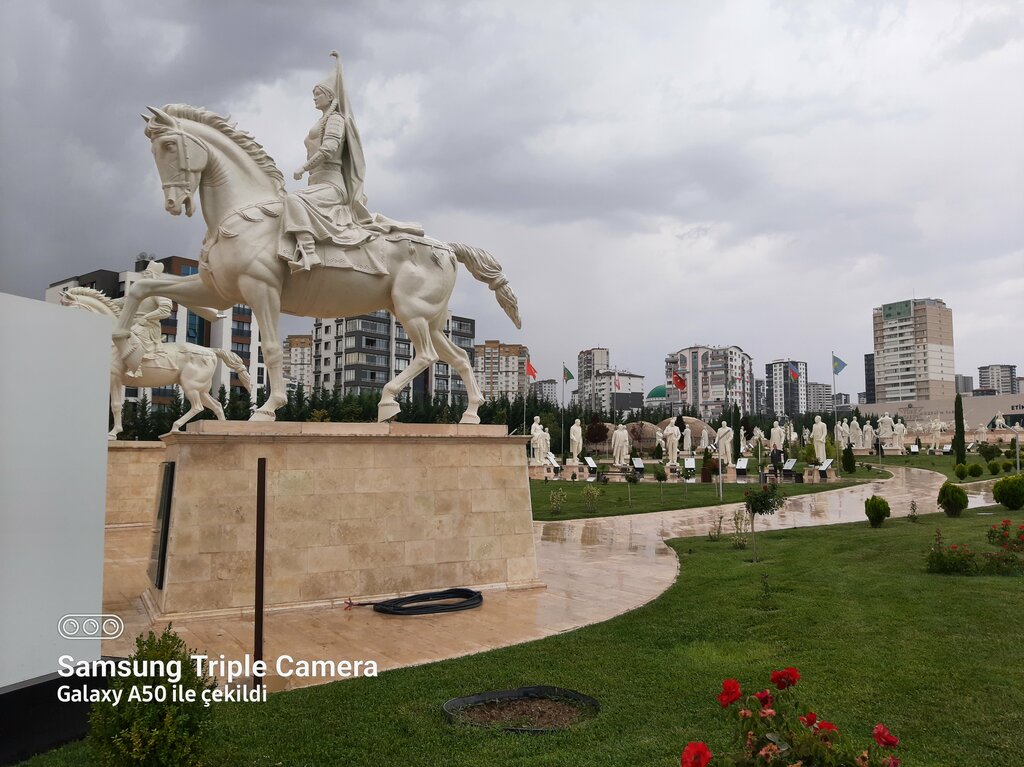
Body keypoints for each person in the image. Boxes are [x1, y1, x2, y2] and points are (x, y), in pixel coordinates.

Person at [279, 52, 421, 272]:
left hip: (332, 186)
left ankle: (308, 252)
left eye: (318, 94)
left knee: (294, 200)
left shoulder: (336, 119)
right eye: (313, 94)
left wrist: (303, 167)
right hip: (317, 183)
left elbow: (329, 149)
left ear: (329, 96)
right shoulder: (322, 120)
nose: (314, 98)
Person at [126, 261, 173, 377]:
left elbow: (165, 310)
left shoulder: (158, 291)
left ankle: (137, 367)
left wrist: (147, 317)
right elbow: (125, 302)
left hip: (148, 325)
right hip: (133, 322)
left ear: (153, 275)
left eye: (147, 273)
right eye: (144, 273)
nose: (144, 276)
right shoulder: (139, 291)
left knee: (132, 335)